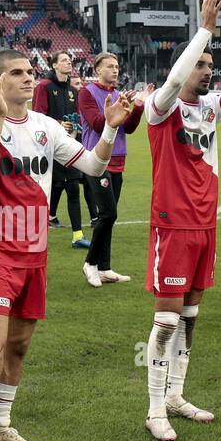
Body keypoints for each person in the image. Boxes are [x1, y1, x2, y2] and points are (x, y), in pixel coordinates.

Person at [0, 50, 126, 441]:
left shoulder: (46, 127)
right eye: (17, 73)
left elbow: (93, 164)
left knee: (19, 345)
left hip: (35, 251)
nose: (29, 79)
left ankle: (0, 426)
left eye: (30, 72)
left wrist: (110, 129)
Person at [139, 0, 221, 441]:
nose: (208, 70)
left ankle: (176, 394)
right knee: (166, 321)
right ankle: (154, 409)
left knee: (190, 316)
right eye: (202, 64)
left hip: (204, 224)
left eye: (211, 65)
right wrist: (205, 28)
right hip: (171, 224)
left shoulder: (211, 109)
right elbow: (172, 81)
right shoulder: (160, 108)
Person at [77, 52, 144, 286]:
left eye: (117, 66)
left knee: (109, 217)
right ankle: (91, 263)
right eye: (109, 66)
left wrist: (138, 106)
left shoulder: (117, 94)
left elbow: (129, 129)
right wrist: (115, 110)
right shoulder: (87, 93)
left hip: (118, 161)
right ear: (97, 69)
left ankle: (104, 268)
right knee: (108, 214)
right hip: (96, 159)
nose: (115, 70)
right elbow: (96, 123)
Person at [32, 50, 90, 249]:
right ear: (54, 65)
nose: (69, 63)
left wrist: (76, 127)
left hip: (69, 146)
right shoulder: (44, 87)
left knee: (73, 187)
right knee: (50, 189)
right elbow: (38, 115)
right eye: (64, 60)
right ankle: (38, 230)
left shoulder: (73, 91)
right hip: (48, 148)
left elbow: (77, 117)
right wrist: (58, 124)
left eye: (69, 60)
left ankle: (77, 236)